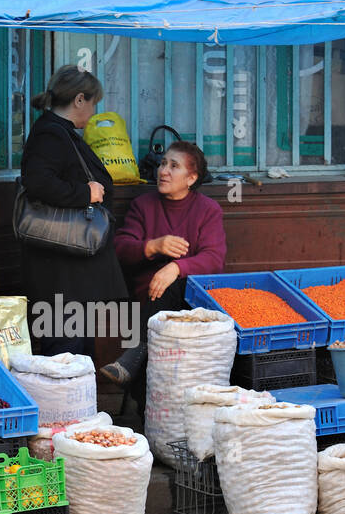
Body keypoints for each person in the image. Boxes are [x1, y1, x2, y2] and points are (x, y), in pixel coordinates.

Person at [19, 65, 128, 357]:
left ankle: (78, 403)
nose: (93, 112)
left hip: (69, 269)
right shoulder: (51, 134)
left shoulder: (59, 132)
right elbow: (38, 182)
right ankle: (65, 404)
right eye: (93, 103)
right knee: (66, 351)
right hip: (61, 270)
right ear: (79, 99)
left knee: (76, 349)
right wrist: (85, 193)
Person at [101, 141, 227, 388]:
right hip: (148, 295)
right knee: (161, 292)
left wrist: (176, 268)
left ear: (191, 178)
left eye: (174, 166)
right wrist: (152, 246)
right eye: (162, 164)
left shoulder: (207, 210)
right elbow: (120, 248)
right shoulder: (144, 206)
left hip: (191, 300)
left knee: (170, 284)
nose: (163, 171)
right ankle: (140, 375)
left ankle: (134, 357)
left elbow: (214, 259)